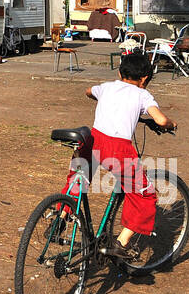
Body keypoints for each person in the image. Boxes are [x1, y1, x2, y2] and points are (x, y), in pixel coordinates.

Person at [61, 52, 176, 261]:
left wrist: (98, 95)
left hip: (92, 140)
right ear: (144, 80)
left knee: (78, 181)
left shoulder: (106, 87)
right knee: (145, 195)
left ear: (119, 72)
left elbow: (88, 91)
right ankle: (121, 243)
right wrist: (171, 124)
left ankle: (61, 214)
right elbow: (159, 120)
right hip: (118, 149)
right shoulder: (142, 94)